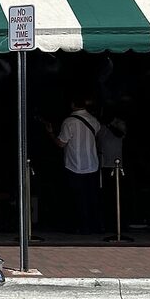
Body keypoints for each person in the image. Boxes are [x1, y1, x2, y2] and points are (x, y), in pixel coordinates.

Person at [46, 97, 101, 234]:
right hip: (92, 164)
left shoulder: (69, 122)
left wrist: (51, 133)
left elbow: (61, 143)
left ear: (72, 104)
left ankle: (82, 226)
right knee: (92, 197)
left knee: (77, 198)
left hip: (74, 165)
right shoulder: (94, 120)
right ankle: (96, 225)